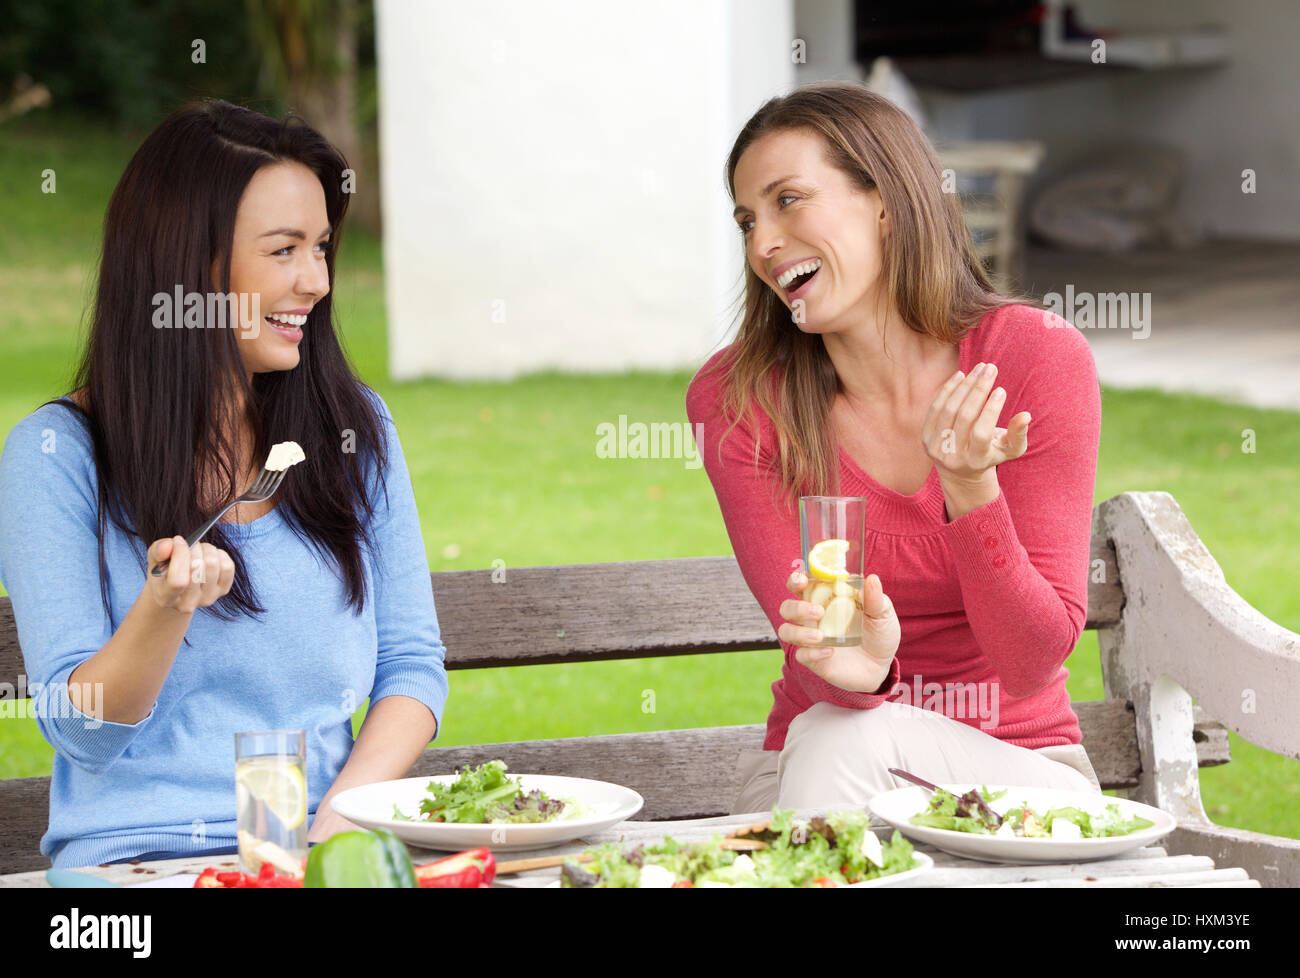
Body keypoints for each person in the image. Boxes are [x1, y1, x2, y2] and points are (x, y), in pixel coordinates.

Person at [0, 100, 449, 867]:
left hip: (320, 850)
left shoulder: (354, 428)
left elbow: (411, 667)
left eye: (322, 248)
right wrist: (163, 610)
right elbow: (84, 731)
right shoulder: (56, 455)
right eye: (284, 251)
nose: (316, 280)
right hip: (138, 862)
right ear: (190, 265)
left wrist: (326, 838)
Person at [685, 83, 1103, 814]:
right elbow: (824, 656)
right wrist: (861, 675)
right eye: (747, 220)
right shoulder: (740, 400)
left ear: (884, 200)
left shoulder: (1032, 356)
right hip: (823, 758)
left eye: (788, 201)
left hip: (1016, 769)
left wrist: (971, 489)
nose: (762, 244)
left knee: (841, 745)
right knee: (840, 736)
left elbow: (1030, 660)